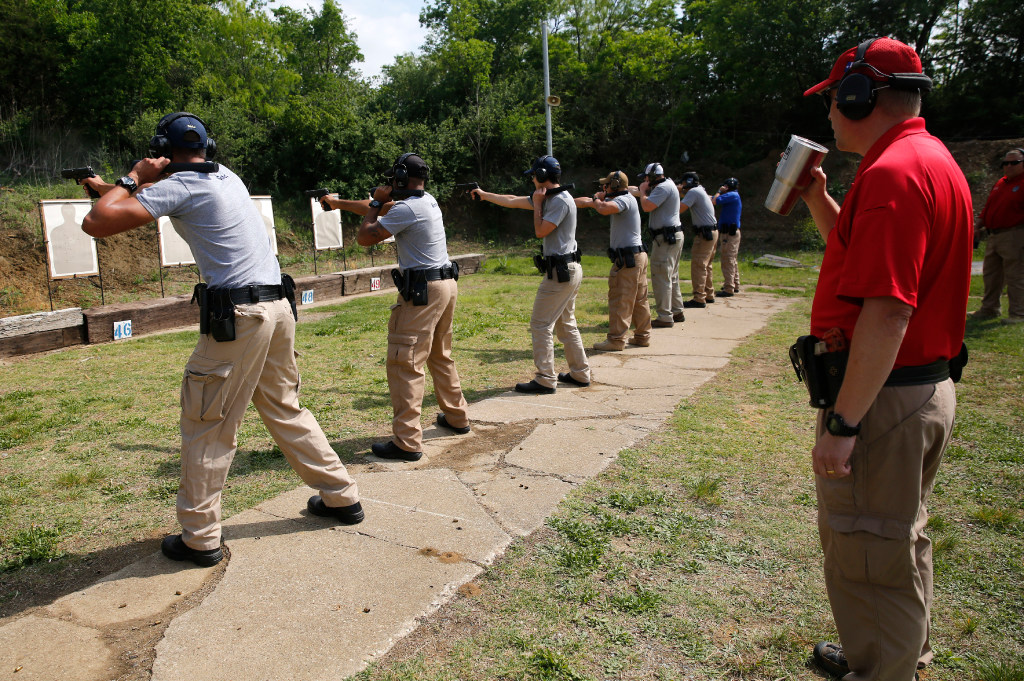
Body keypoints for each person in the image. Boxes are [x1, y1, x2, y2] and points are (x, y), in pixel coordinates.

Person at [80, 112, 363, 567]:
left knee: (207, 420)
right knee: (285, 407)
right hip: (277, 307)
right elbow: (142, 202)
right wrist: (112, 187)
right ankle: (341, 496)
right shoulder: (226, 176)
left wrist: (131, 176)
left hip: (240, 317)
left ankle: (199, 537)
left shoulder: (179, 185)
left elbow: (97, 224)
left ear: (161, 150)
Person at [798, 38, 971, 681]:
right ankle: (895, 654)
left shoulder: (894, 175)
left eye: (835, 101)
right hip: (914, 389)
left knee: (867, 548)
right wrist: (819, 199)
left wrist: (844, 425)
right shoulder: (924, 161)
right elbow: (868, 263)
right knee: (896, 538)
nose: (831, 117)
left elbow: (888, 310)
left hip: (883, 399)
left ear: (859, 96)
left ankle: (884, 667)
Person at [323, 153, 470, 461]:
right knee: (440, 355)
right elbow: (378, 210)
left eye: (393, 180)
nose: (389, 185)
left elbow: (366, 236)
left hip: (423, 292)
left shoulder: (407, 207)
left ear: (401, 178)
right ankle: (457, 417)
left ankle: (407, 442)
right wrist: (339, 204)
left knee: (406, 361)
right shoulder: (425, 200)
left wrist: (376, 203)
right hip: (444, 285)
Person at [472, 156, 591, 392]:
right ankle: (580, 373)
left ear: (543, 176)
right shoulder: (549, 197)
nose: (532, 179)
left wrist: (537, 205)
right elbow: (512, 201)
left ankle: (546, 379)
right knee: (566, 324)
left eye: (534, 175)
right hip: (566, 269)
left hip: (561, 271)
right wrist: (485, 195)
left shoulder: (557, 202)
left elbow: (540, 231)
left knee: (540, 324)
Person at [575, 170, 652, 351]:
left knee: (620, 298)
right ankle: (642, 336)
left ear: (615, 186)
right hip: (636, 256)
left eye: (606, 185)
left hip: (628, 258)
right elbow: (589, 203)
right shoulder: (625, 198)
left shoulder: (623, 200)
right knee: (639, 299)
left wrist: (596, 198)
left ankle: (616, 340)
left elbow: (602, 208)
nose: (603, 188)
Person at [970, 147, 1024, 324]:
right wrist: (978, 224)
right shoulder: (1001, 183)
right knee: (991, 274)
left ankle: (1018, 313)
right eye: (1005, 163)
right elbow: (988, 207)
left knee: (1016, 274)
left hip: (1015, 233)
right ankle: (989, 308)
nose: (1008, 166)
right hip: (994, 235)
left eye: (1014, 162)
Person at [630, 163, 684, 327]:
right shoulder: (666, 185)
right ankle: (676, 310)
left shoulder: (662, 188)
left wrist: (643, 192)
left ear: (652, 177)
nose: (645, 180)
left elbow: (646, 206)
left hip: (666, 238)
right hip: (671, 236)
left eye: (646, 178)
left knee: (661, 277)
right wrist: (633, 190)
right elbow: (639, 191)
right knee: (671, 276)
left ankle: (665, 317)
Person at [677, 172, 718, 308]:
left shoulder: (693, 192)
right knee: (707, 265)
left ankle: (699, 298)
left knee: (698, 265)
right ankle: (709, 294)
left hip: (705, 233)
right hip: (711, 231)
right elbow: (686, 196)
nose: (681, 186)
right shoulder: (699, 190)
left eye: (682, 183)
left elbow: (679, 209)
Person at [713, 177, 743, 297]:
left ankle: (728, 288)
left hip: (729, 233)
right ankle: (734, 284)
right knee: (732, 260)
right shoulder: (733, 195)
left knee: (727, 260)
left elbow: (715, 201)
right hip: (731, 232)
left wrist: (719, 191)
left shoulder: (731, 195)